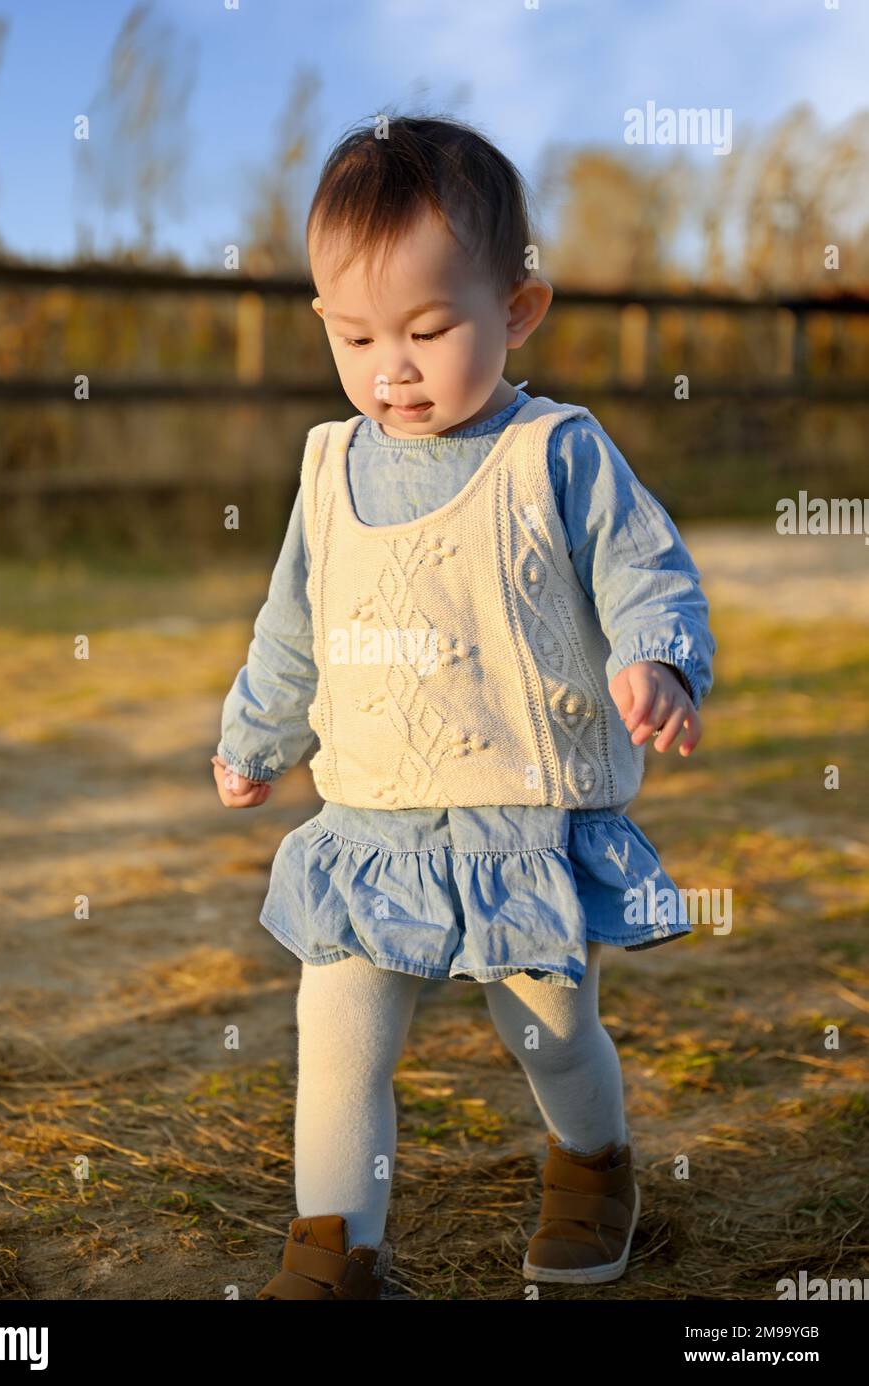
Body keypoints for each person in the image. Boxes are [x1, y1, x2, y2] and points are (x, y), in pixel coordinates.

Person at [211, 115, 716, 1300]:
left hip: (519, 827)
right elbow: (297, 621)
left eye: (431, 330)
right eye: (355, 334)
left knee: (547, 1029)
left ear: (518, 308)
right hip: (370, 828)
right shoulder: (329, 467)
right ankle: (334, 1256)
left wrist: (659, 657)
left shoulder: (557, 452)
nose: (392, 366)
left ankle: (594, 1165)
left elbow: (649, 568)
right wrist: (255, 733)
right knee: (337, 1043)